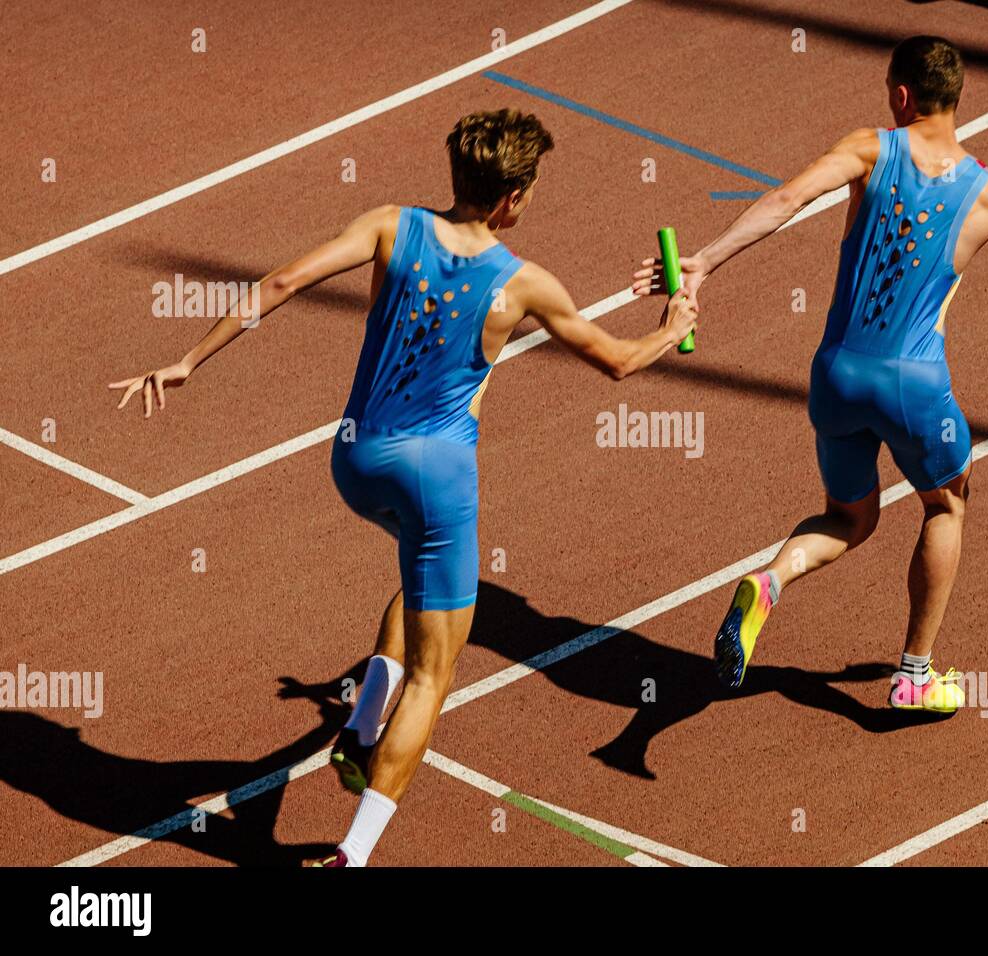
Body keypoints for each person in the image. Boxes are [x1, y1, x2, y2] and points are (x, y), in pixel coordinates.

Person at [112, 108, 698, 866]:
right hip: (437, 479)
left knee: (417, 570)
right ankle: (352, 854)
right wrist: (671, 320)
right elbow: (617, 361)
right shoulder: (524, 284)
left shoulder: (392, 225)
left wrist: (189, 359)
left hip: (355, 463)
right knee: (436, 671)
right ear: (514, 197)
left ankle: (360, 724)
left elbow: (287, 278)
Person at [632, 36, 988, 714]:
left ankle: (770, 581)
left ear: (902, 96)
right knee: (946, 504)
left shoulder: (868, 149)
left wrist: (705, 260)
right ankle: (914, 674)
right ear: (955, 98)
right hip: (915, 387)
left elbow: (786, 200)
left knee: (847, 518)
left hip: (835, 375)